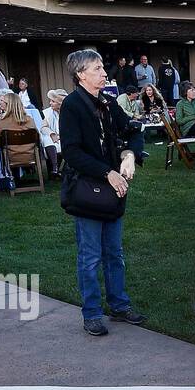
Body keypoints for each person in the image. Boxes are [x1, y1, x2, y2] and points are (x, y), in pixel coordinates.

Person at [58, 49, 147, 335]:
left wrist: (130, 154)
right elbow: (71, 152)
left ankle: (119, 306)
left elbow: (133, 128)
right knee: (90, 256)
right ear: (81, 74)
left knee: (114, 253)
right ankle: (92, 313)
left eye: (102, 68)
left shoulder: (108, 103)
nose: (104, 73)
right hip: (88, 191)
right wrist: (106, 172)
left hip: (113, 193)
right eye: (97, 69)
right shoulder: (72, 106)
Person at [0, 92, 40, 188]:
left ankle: (12, 179)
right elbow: (38, 139)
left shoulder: (1, 123)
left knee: (4, 149)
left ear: (8, 105)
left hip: (11, 157)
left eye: (3, 101)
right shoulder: (29, 120)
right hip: (31, 156)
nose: (0, 103)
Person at [40, 89, 67, 178]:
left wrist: (61, 136)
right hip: (54, 139)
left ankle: (58, 169)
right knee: (46, 138)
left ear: (60, 102)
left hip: (66, 137)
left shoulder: (69, 112)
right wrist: (52, 133)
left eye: (53, 101)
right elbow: (43, 128)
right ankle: (55, 167)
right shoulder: (48, 113)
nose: (50, 103)